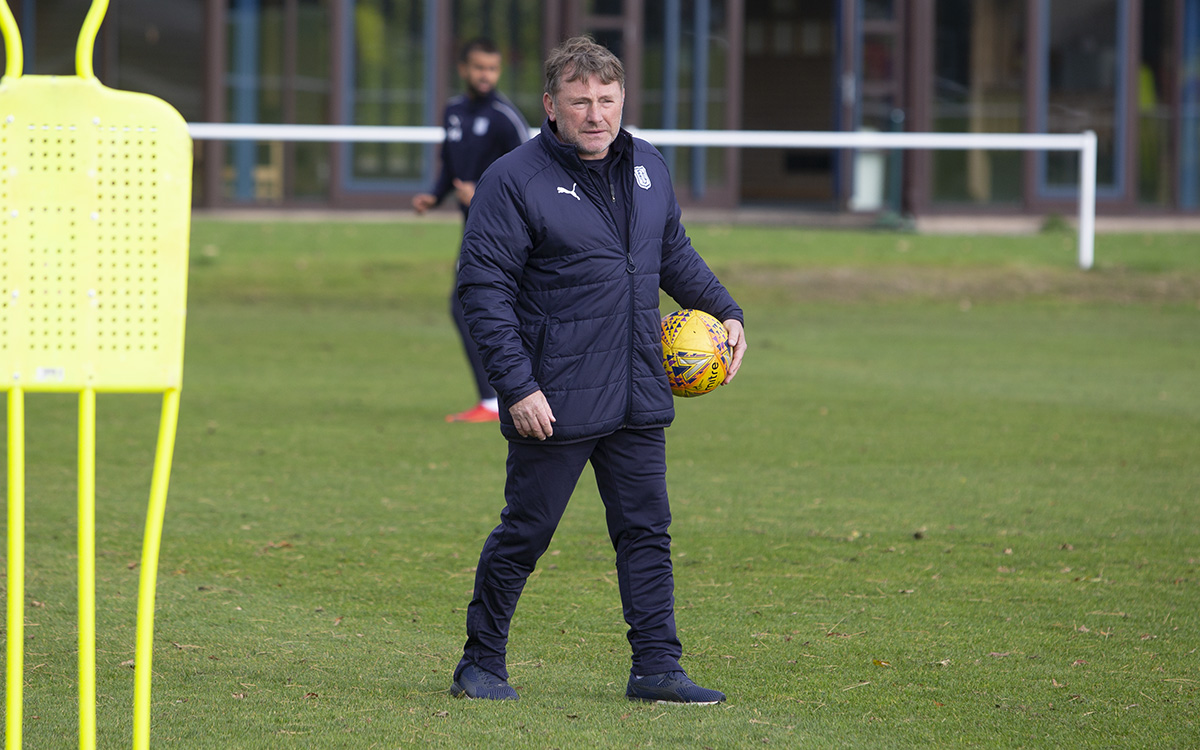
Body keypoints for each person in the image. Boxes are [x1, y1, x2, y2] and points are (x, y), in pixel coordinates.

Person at [450, 35, 747, 703]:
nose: (595, 115)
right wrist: (517, 386)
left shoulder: (649, 168)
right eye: (580, 101)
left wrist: (725, 311)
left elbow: (673, 254)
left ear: (621, 102)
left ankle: (657, 668)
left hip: (639, 389)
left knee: (646, 531)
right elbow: (483, 289)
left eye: (606, 100)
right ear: (551, 105)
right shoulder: (514, 179)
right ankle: (480, 662)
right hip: (554, 396)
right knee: (526, 532)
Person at [412, 37, 529, 423]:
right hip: (472, 230)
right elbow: (452, 167)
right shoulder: (454, 111)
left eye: (492, 69)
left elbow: (529, 178)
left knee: (469, 305)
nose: (485, 75)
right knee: (471, 305)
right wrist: (434, 194)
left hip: (503, 233)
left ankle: (496, 400)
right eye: (479, 67)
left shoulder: (505, 117)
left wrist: (482, 193)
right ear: (463, 69)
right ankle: (501, 397)